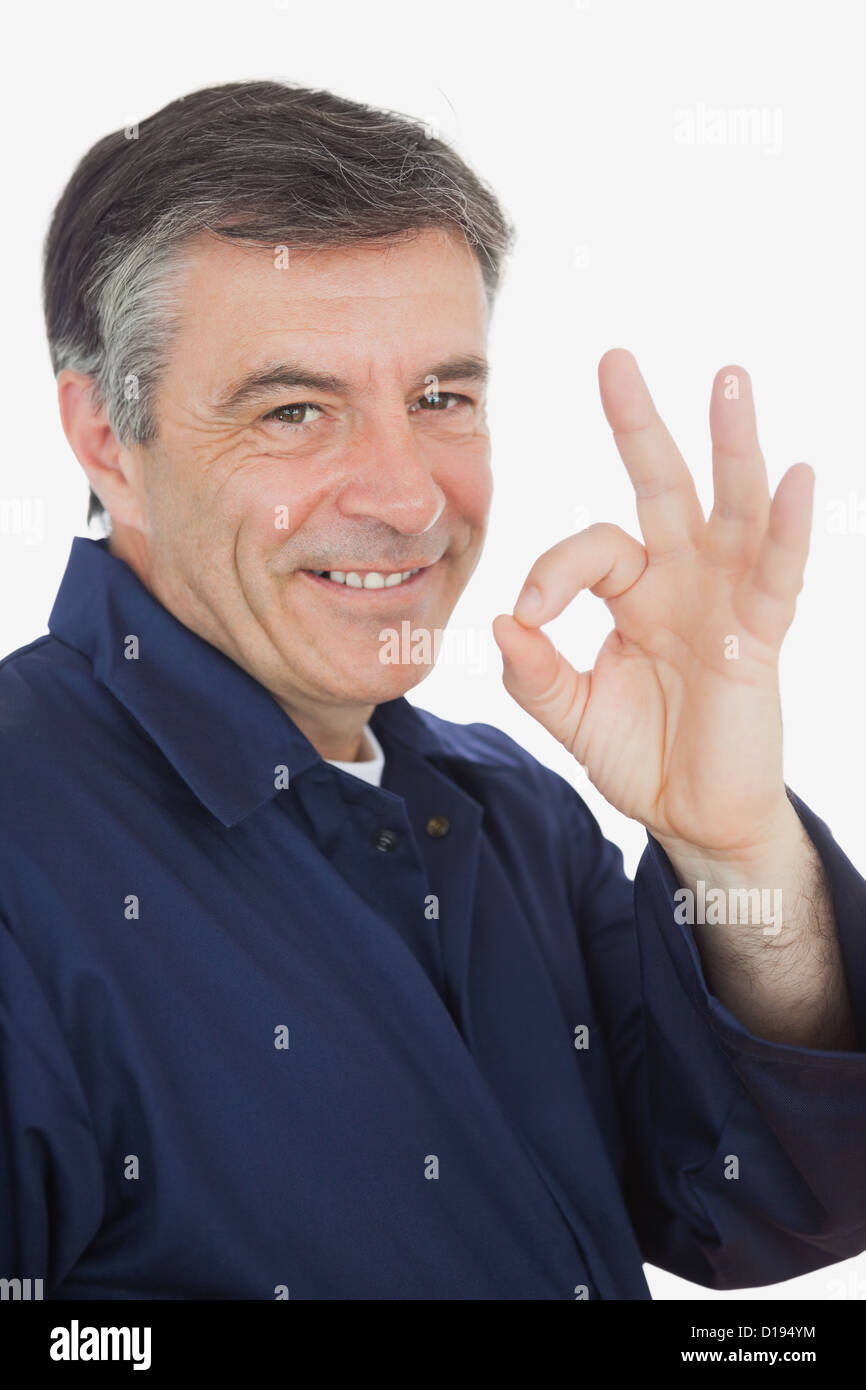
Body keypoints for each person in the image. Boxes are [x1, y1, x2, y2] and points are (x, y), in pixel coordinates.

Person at [1, 79, 864, 1301]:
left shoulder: (509, 812)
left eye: (439, 399)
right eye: (295, 410)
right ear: (105, 440)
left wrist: (732, 854)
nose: (407, 498)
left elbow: (763, 1201)